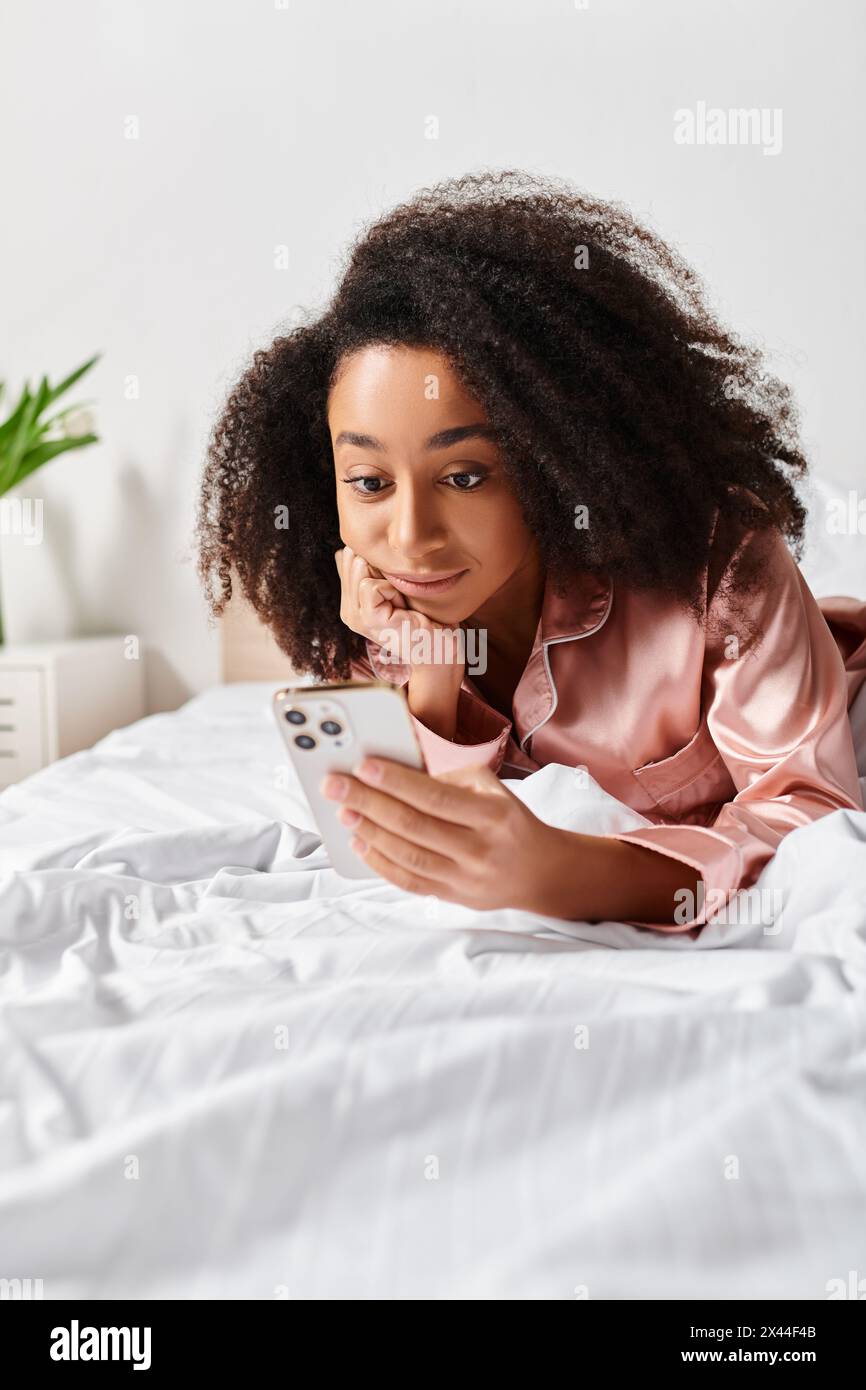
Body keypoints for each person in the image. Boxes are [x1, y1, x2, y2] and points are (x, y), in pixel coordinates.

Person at [197, 171, 866, 934]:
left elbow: (810, 813)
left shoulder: (719, 561)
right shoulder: (369, 609)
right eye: (371, 481)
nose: (411, 535)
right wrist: (431, 674)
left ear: (553, 462)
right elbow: (423, 848)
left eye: (465, 475)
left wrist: (560, 873)